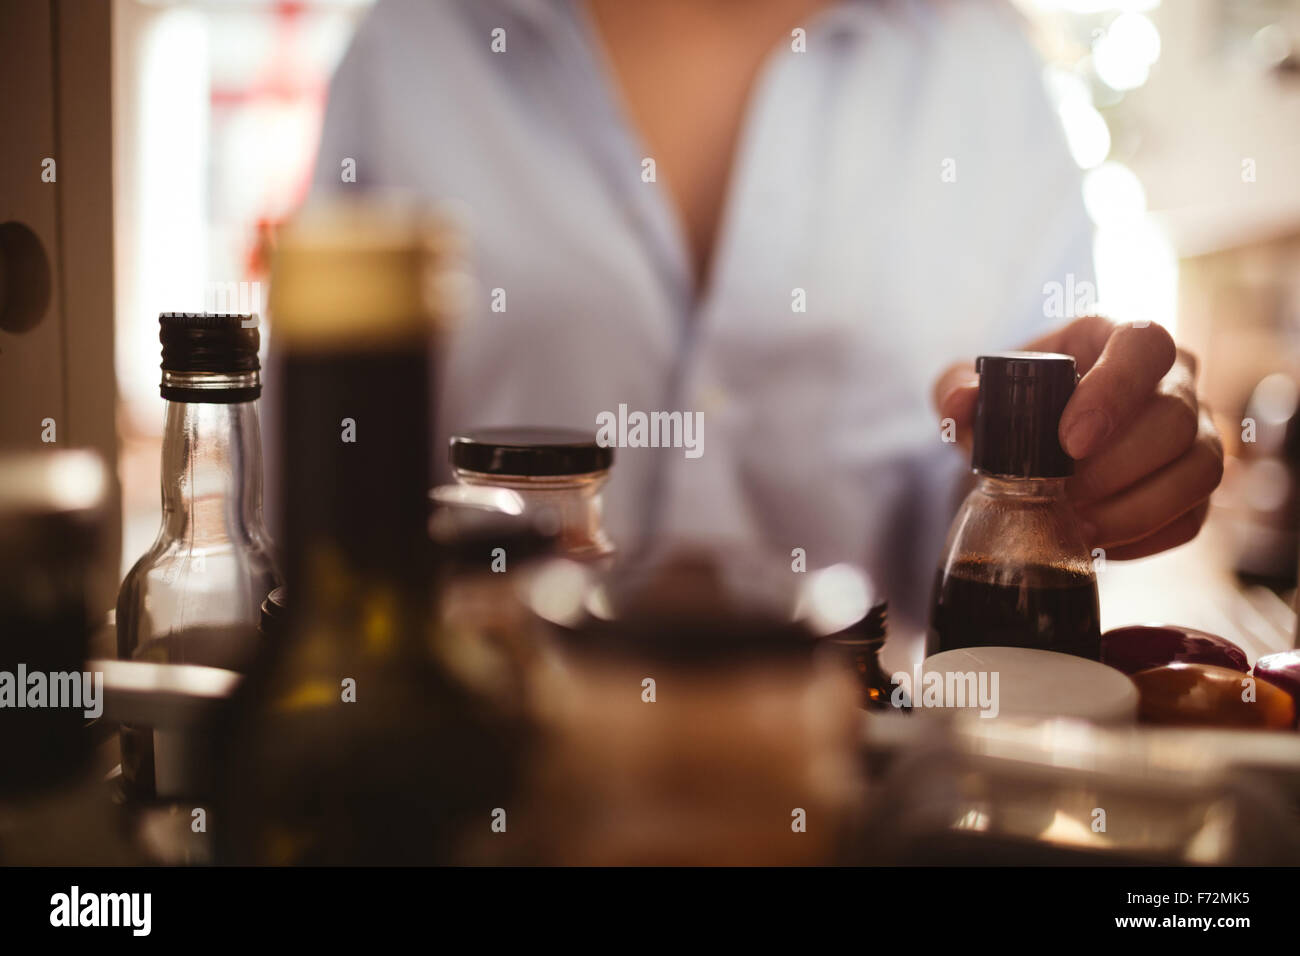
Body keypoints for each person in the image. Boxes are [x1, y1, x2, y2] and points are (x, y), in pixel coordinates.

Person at [305, 0, 1223, 628]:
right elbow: (317, 514)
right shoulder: (414, 45)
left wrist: (1089, 458)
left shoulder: (985, 70)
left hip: (861, 804)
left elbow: (999, 505)